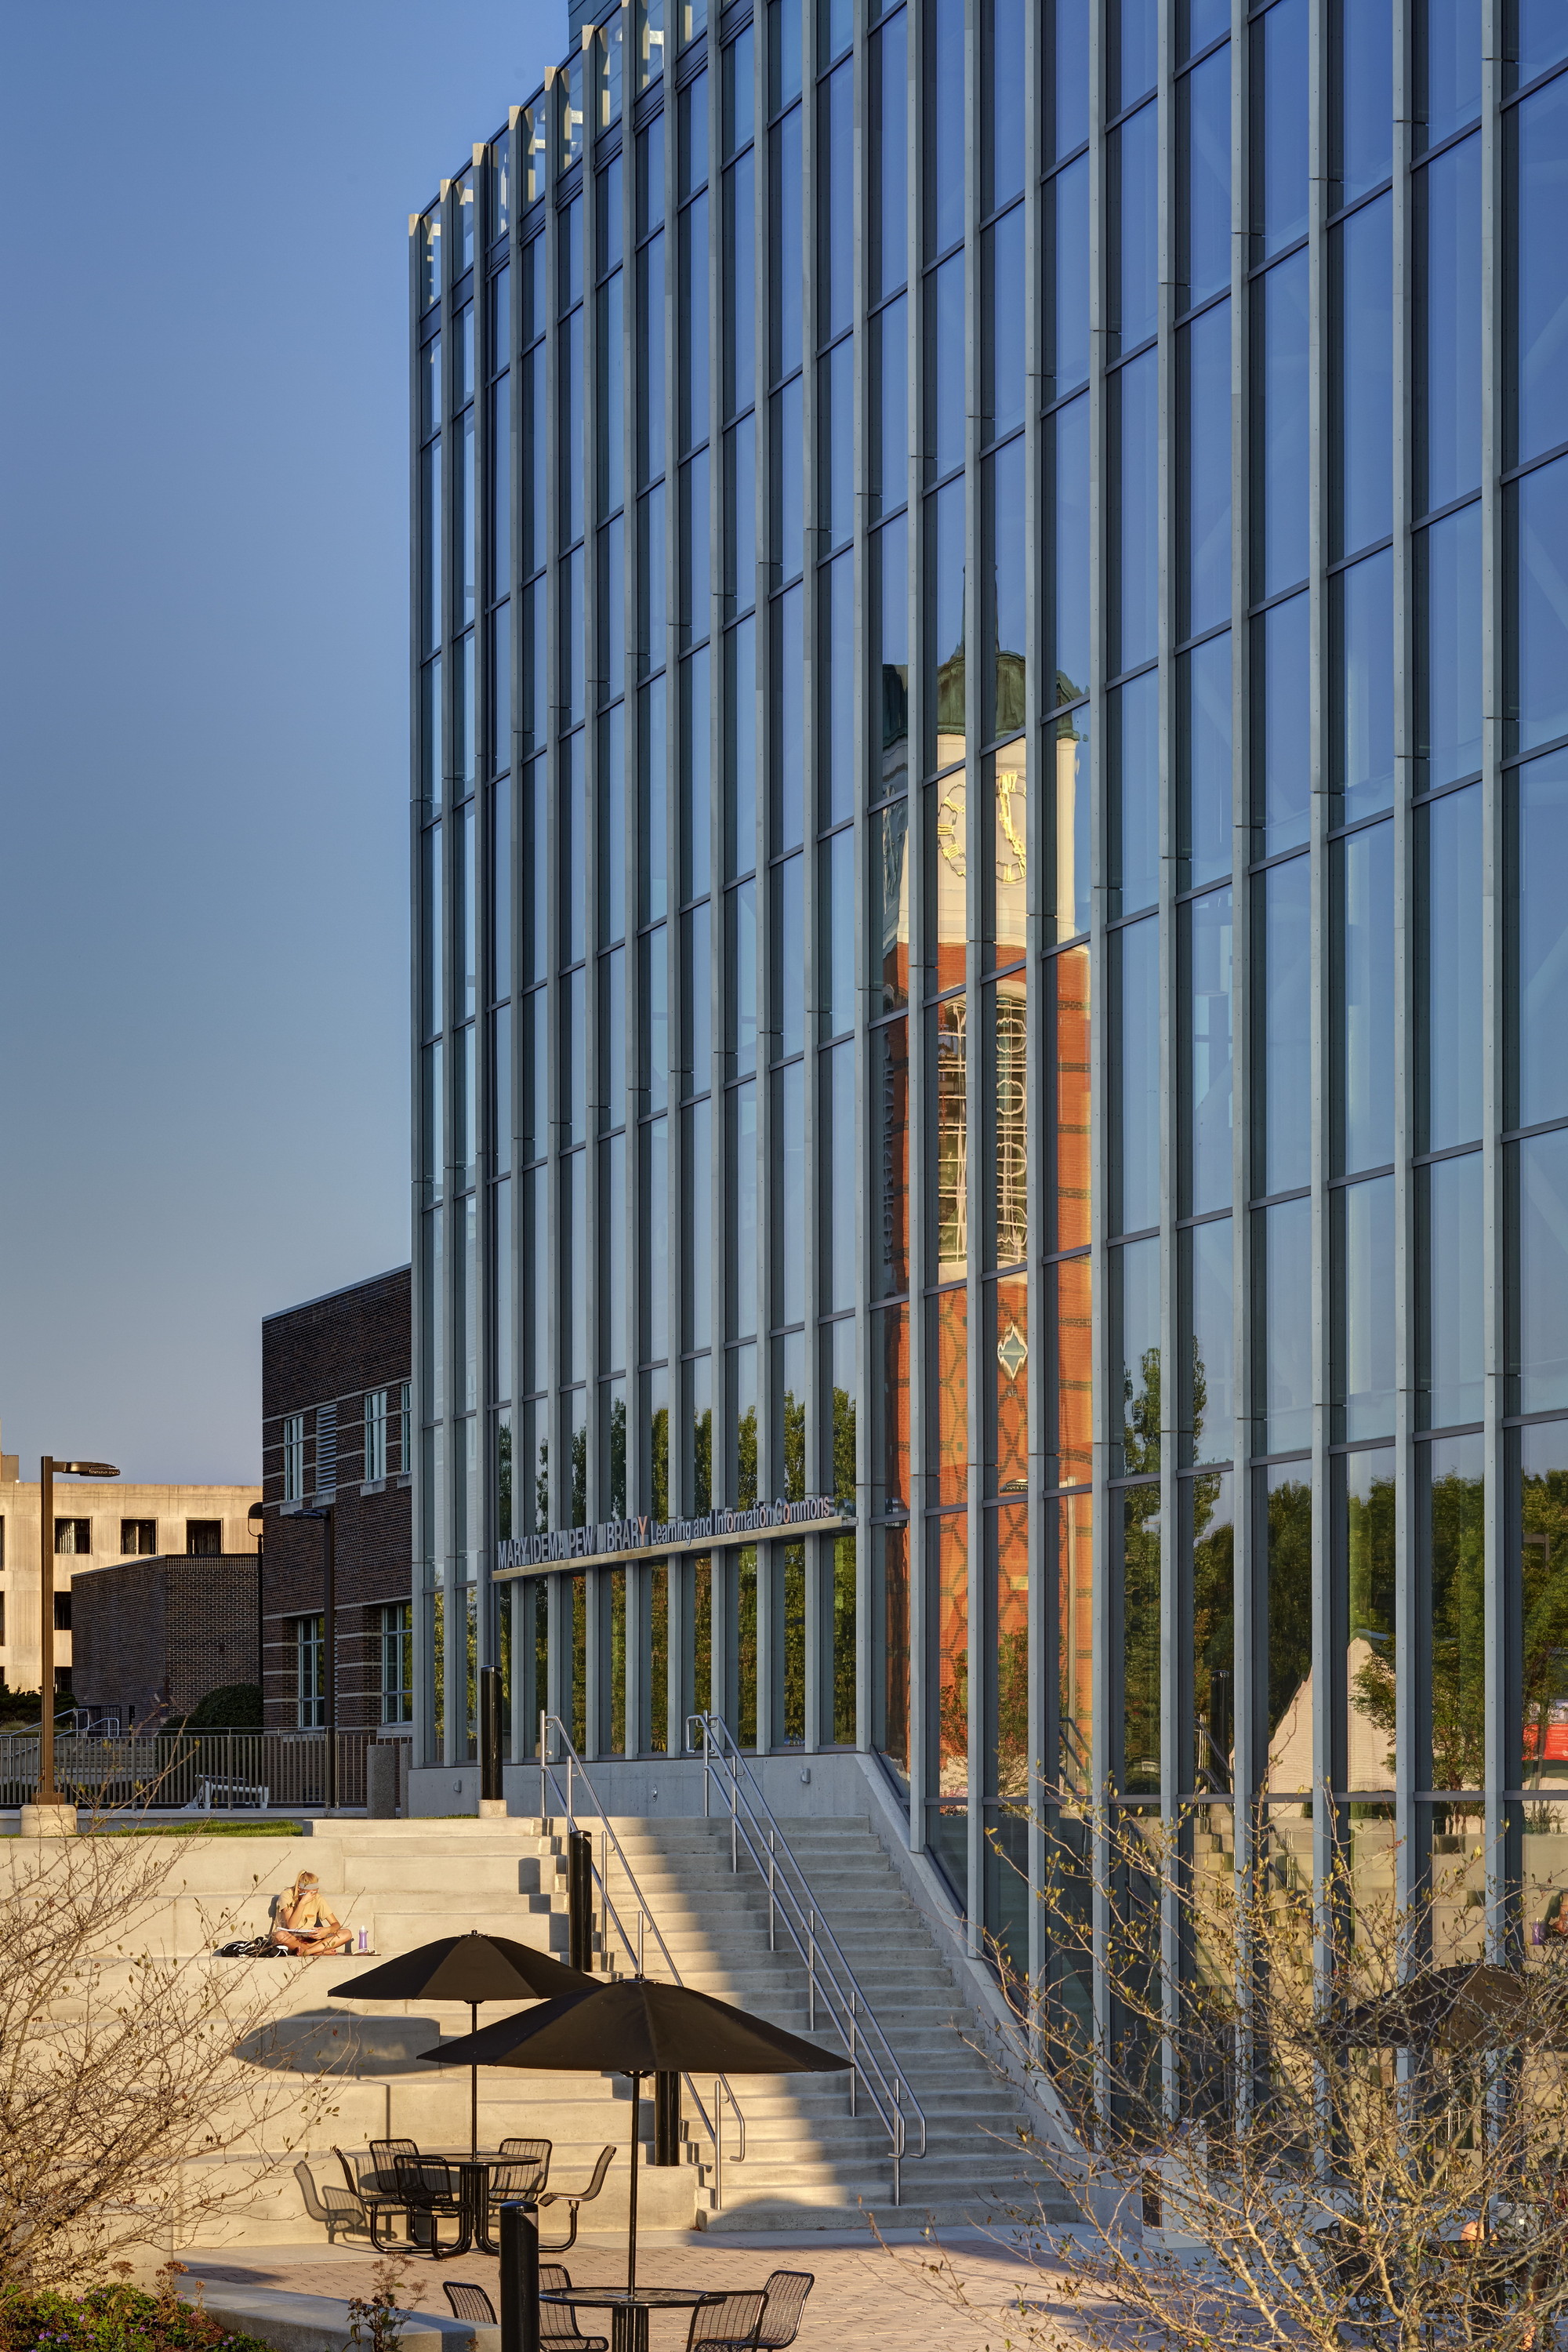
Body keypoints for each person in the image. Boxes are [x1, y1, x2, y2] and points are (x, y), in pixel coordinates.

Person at [270, 1871, 353, 1956]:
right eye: (310, 1893)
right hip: (293, 1940)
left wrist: (327, 1930)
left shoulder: (317, 1898)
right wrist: (302, 1903)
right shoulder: (286, 1895)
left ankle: (309, 1952)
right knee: (280, 1936)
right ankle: (318, 1952)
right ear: (299, 1889)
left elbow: (336, 1924)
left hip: (313, 1941)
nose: (313, 1896)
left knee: (346, 1933)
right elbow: (292, 1926)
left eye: (315, 1892)